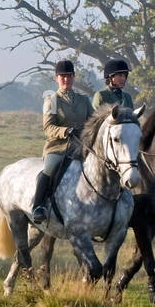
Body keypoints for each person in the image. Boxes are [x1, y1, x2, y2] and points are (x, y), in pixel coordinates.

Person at [32, 59, 94, 225]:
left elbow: (94, 122)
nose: (66, 79)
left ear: (74, 77)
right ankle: (38, 206)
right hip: (59, 146)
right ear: (56, 79)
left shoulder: (84, 100)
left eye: (69, 76)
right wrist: (66, 131)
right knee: (50, 168)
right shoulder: (51, 101)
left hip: (82, 146)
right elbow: (48, 127)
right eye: (62, 77)